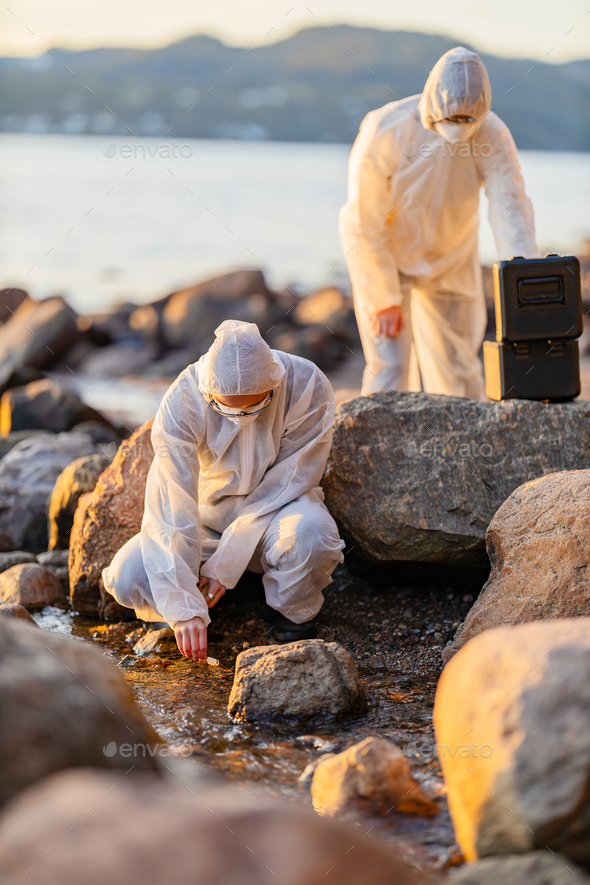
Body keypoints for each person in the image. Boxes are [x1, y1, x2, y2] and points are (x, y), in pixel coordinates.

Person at [102, 320, 345, 660]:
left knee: (312, 536)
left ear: (274, 384)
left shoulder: (305, 383)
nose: (241, 416)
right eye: (226, 407)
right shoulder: (183, 397)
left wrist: (229, 562)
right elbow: (173, 501)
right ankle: (178, 618)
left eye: (253, 406)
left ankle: (291, 615)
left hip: (279, 509)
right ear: (207, 392)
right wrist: (181, 604)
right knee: (129, 575)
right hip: (205, 518)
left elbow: (293, 477)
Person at [340, 46, 540, 398]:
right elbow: (362, 219)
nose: (460, 128)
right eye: (453, 121)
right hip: (389, 261)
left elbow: (510, 206)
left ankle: (461, 451)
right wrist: (383, 295)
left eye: (468, 121)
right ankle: (385, 451)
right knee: (389, 372)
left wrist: (524, 279)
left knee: (459, 374)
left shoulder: (492, 133)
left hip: (452, 261)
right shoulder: (386, 128)